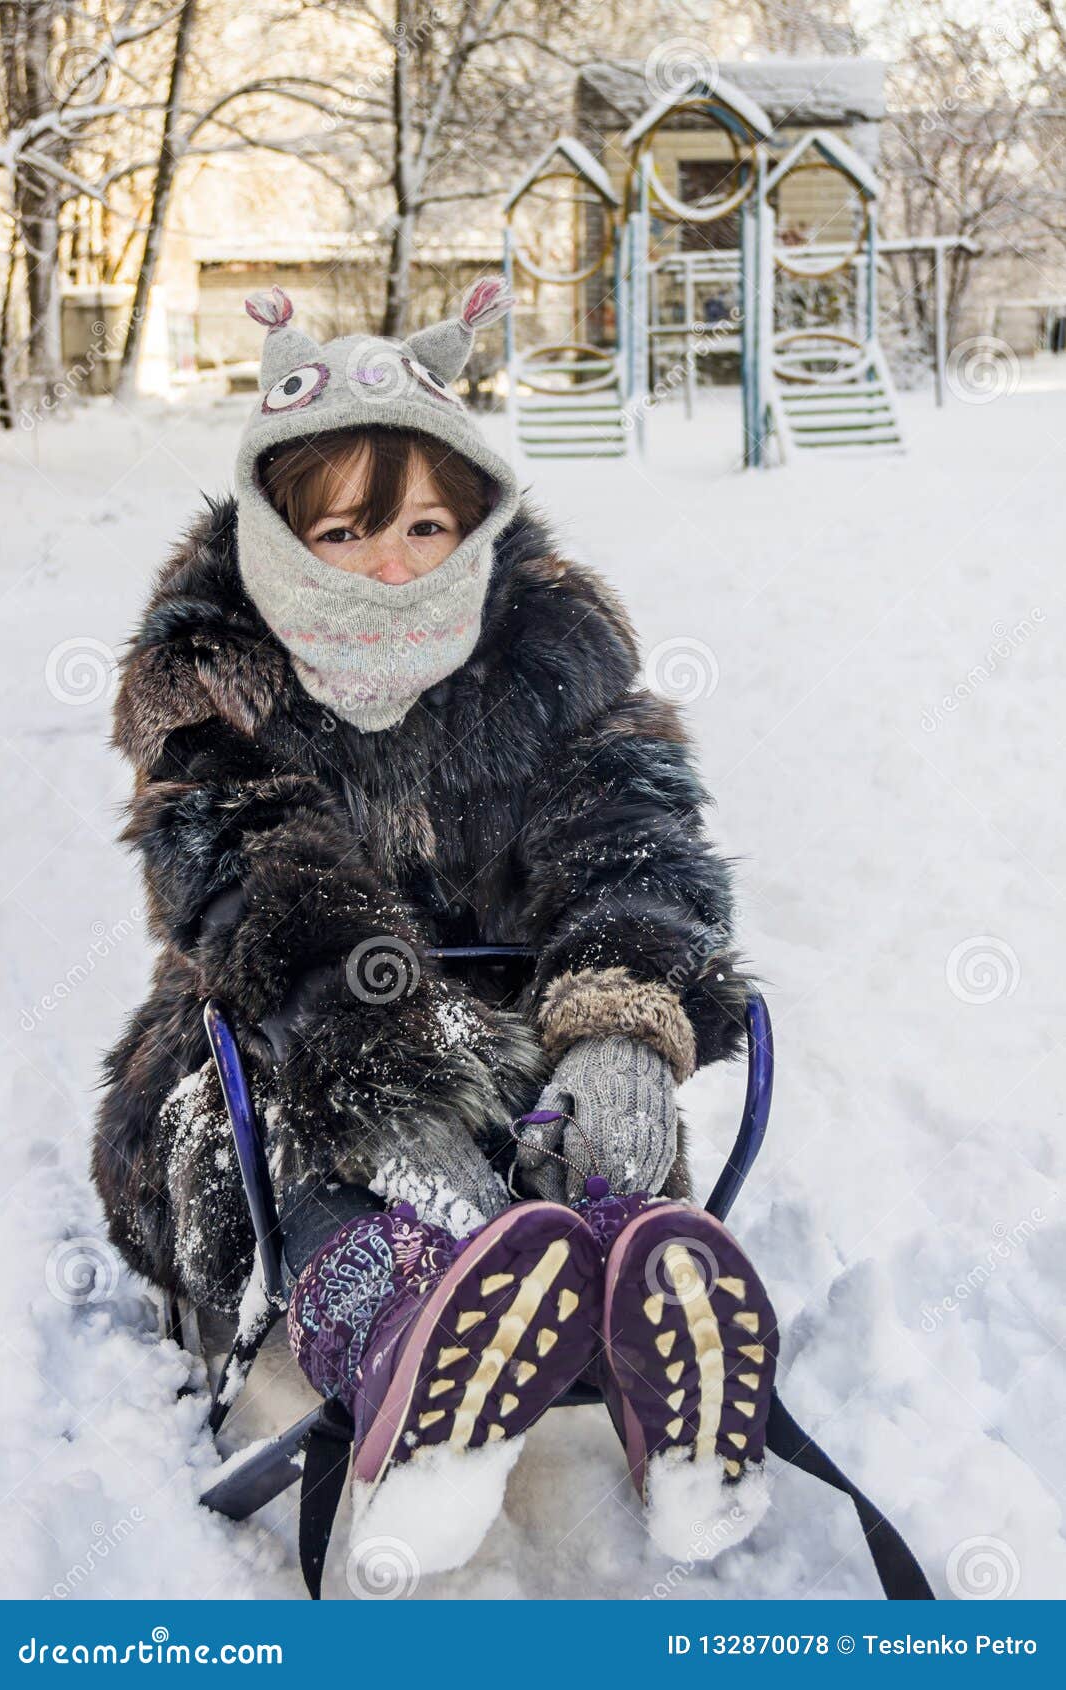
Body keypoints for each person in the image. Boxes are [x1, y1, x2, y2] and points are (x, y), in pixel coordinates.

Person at [93, 277, 775, 1579]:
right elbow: (249, 876)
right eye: (347, 531)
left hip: (516, 1011)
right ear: (282, 531)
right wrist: (388, 1077)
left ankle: (657, 1357)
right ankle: (403, 1349)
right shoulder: (215, 670)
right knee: (283, 1151)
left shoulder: (546, 648)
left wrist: (622, 1016)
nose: (398, 564)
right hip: (294, 1023)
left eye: (425, 524)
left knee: (584, 1139)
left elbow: (629, 834)